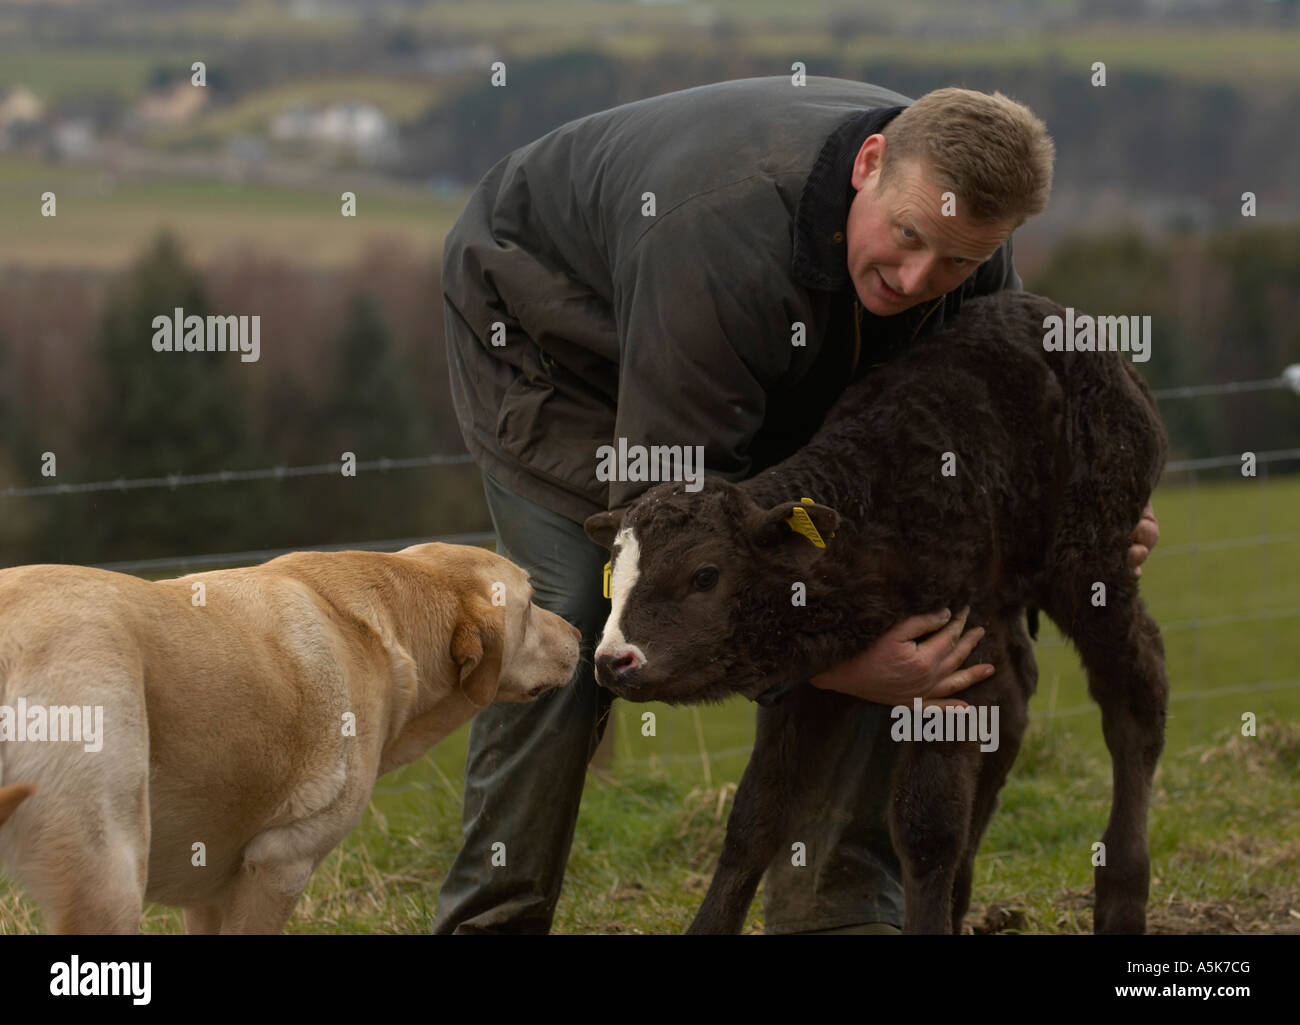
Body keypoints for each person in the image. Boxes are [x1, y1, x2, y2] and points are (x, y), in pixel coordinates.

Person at [435, 76, 1160, 934]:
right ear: (870, 163)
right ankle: (494, 916)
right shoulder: (718, 244)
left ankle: (837, 910)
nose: (921, 277)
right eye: (908, 236)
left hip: (760, 356)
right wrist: (821, 664)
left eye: (959, 261)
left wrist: (1083, 510)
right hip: (558, 348)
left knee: (879, 581)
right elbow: (660, 508)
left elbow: (990, 404)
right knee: (570, 614)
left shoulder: (961, 242)